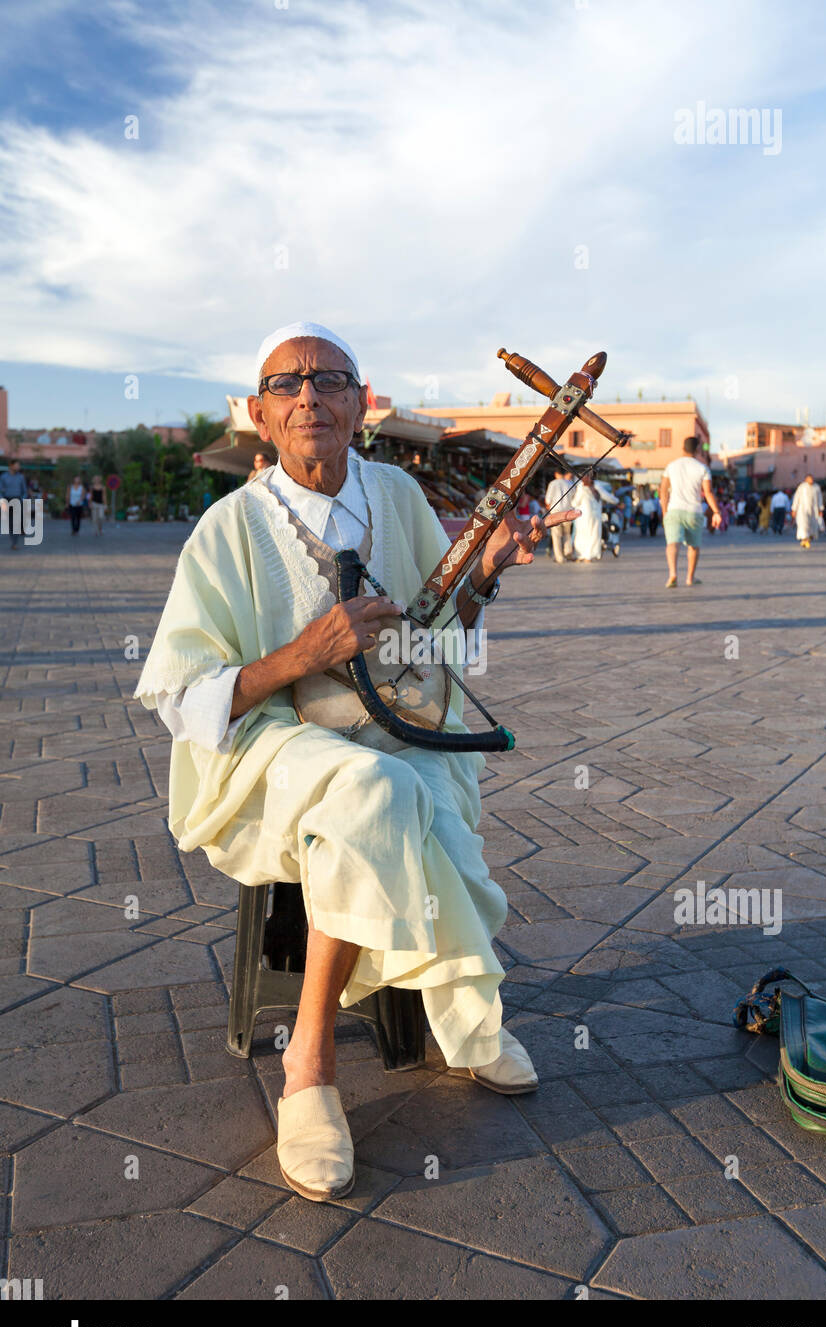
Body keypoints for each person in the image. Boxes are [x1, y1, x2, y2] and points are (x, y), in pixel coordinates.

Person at [134, 322, 580, 1203]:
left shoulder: (399, 497)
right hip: (267, 746)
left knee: (418, 788)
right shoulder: (227, 532)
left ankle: (465, 1015)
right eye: (287, 385)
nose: (310, 397)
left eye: (329, 380)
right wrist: (302, 655)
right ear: (262, 416)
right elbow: (183, 701)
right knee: (372, 791)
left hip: (389, 724)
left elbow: (433, 644)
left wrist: (481, 576)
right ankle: (311, 1063)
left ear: (360, 402)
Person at [659, 437, 722, 588]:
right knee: (693, 546)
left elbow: (663, 491)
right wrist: (716, 512)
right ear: (697, 450)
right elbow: (708, 492)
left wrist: (664, 512)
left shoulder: (671, 466)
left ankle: (673, 574)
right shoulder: (703, 468)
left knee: (672, 543)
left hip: (674, 510)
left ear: (683, 448)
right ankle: (690, 578)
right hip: (694, 511)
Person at [544, 467, 574, 562]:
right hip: (568, 512)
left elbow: (548, 500)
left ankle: (560, 557)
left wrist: (548, 508)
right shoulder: (570, 483)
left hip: (556, 512)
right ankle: (568, 552)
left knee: (556, 535)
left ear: (556, 474)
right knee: (567, 534)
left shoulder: (553, 483)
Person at [571, 470, 603, 560]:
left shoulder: (586, 487)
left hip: (588, 516)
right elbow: (575, 503)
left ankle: (586, 555)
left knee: (587, 535)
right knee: (589, 535)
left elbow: (575, 503)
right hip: (589, 516)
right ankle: (585, 555)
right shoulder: (589, 487)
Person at [0, 460, 29, 550]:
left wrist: (22, 500)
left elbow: (25, 491)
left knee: (16, 523)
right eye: (17, 465)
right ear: (11, 466)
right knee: (9, 523)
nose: (18, 467)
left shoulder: (21, 477)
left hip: (17, 500)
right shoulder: (3, 477)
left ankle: (14, 543)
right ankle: (13, 540)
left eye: (19, 465)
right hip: (6, 500)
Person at [791, 474, 823, 550]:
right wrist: (794, 509)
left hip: (813, 510)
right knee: (803, 525)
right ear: (806, 479)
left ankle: (807, 540)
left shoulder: (817, 487)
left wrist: (820, 509)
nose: (811, 480)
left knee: (812, 525)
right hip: (802, 510)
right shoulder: (801, 487)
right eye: (809, 479)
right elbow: (796, 498)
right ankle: (804, 540)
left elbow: (820, 499)